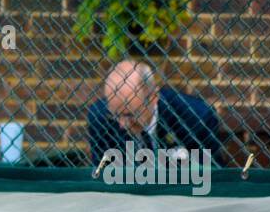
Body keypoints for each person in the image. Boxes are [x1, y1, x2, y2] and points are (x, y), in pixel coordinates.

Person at [87, 60, 224, 168]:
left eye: (130, 115)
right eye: (115, 115)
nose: (122, 124)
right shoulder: (99, 118)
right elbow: (102, 179)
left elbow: (210, 178)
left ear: (153, 98)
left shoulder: (196, 118)